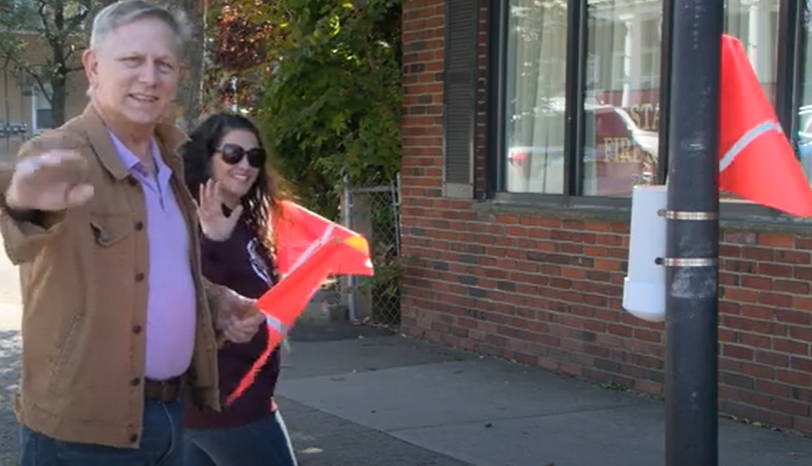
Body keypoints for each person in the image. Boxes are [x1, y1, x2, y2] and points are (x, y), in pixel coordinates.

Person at [0, 2, 266, 465]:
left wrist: (216, 303)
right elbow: (21, 221)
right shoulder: (59, 151)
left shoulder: (174, 162)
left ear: (178, 74)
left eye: (162, 64)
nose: (149, 77)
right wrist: (22, 195)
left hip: (171, 416)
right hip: (82, 439)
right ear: (93, 65)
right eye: (132, 60)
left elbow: (155, 271)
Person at [179, 112, 298, 466]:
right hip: (230, 406)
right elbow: (186, 297)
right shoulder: (191, 221)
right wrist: (212, 240)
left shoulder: (240, 219)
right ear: (207, 158)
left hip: (228, 402)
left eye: (254, 156)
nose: (245, 165)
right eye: (232, 153)